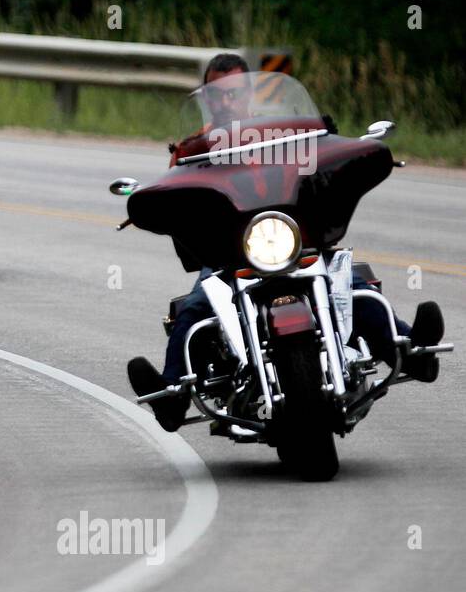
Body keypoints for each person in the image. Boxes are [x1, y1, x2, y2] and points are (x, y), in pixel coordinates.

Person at [128, 54, 445, 431]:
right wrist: (155, 200)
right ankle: (172, 397)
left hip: (293, 239)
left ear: (249, 94)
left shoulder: (289, 130)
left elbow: (323, 153)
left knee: (354, 288)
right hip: (231, 253)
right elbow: (176, 186)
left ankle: (412, 352)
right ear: (208, 99)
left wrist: (354, 154)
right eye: (219, 93)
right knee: (196, 307)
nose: (228, 101)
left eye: (235, 92)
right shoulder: (195, 148)